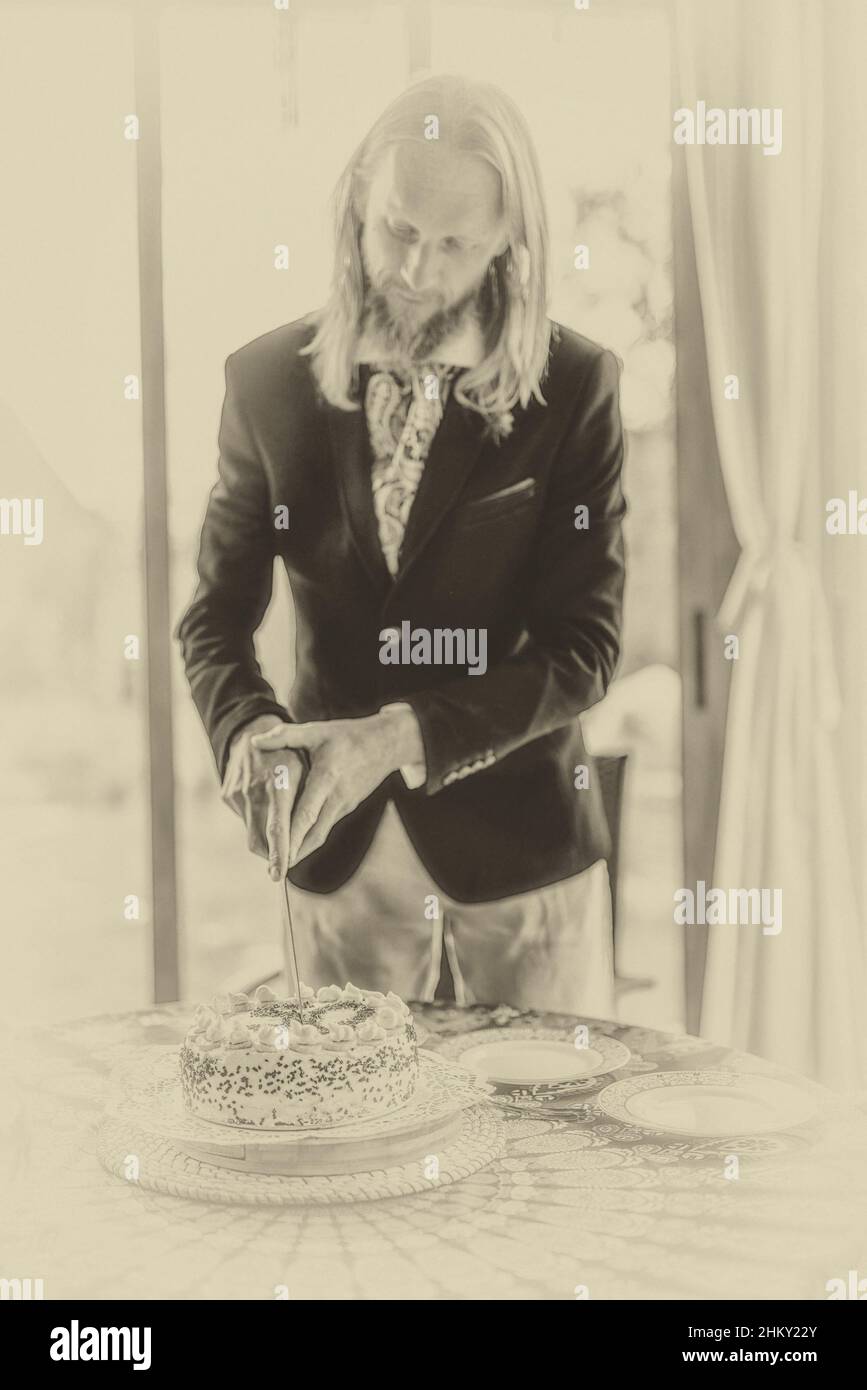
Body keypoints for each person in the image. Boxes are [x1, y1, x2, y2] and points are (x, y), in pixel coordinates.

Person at [177, 74, 626, 1017]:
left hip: (523, 854)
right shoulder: (264, 382)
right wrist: (247, 732)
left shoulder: (575, 386)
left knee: (545, 1143)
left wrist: (392, 740)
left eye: (456, 244)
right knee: (343, 1138)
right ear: (355, 206)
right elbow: (214, 617)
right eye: (398, 230)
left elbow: (581, 652)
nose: (418, 270)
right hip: (333, 857)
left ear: (509, 240)